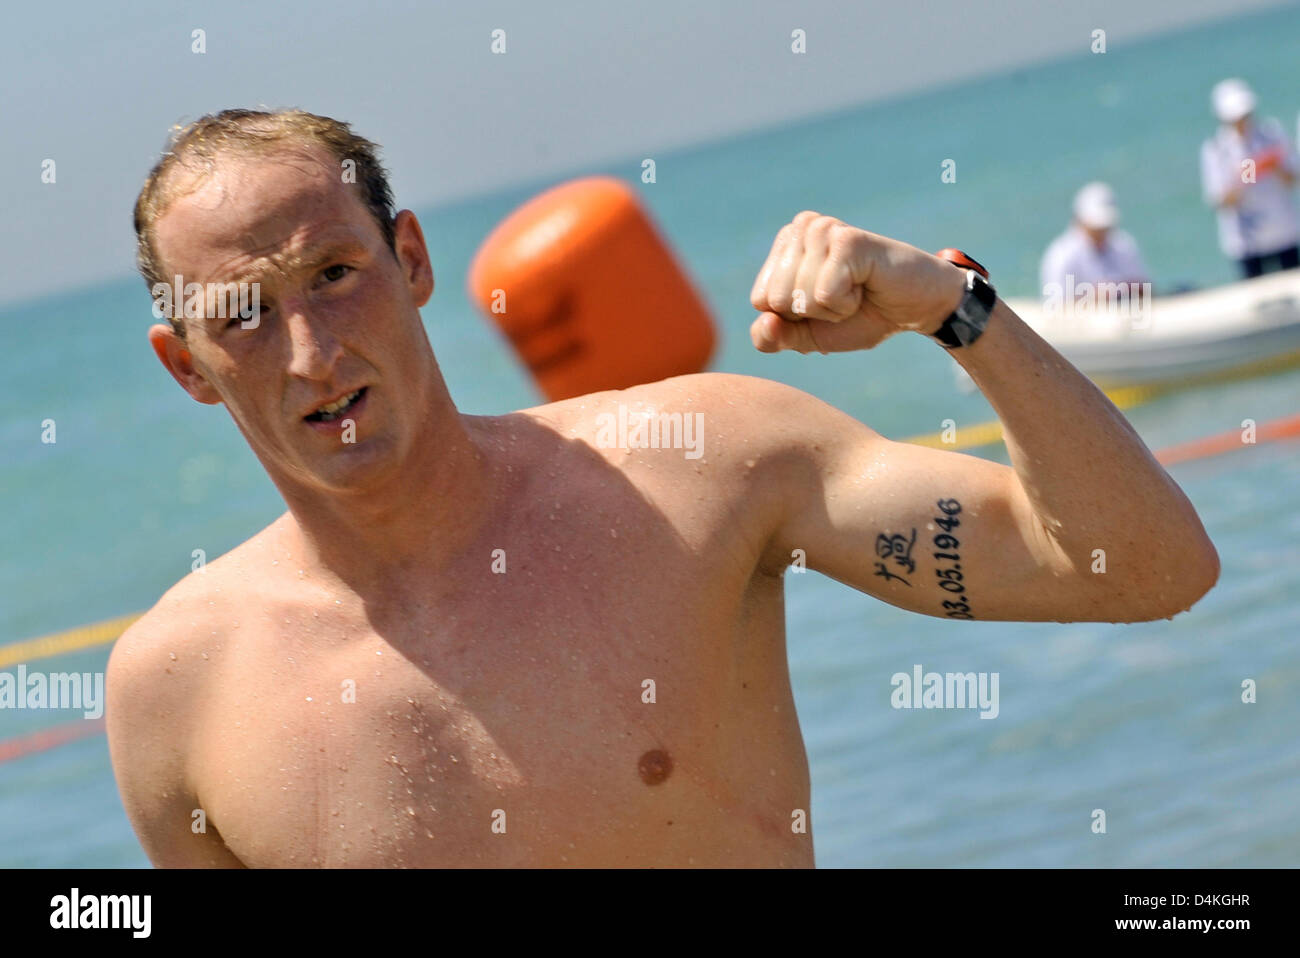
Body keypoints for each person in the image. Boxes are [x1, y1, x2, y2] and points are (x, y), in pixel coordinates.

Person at [106, 109, 1219, 868]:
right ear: (185, 364)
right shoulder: (175, 690)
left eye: (334, 276)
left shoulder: (700, 465)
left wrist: (953, 312)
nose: (310, 353)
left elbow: (1144, 570)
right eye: (242, 314)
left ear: (412, 260)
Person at [1201, 78, 1300, 279]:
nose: (1243, 121)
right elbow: (1219, 199)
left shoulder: (1271, 133)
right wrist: (1251, 169)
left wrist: (1272, 165)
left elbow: (1292, 179)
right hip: (1247, 240)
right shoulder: (1216, 148)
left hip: (1283, 229)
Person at [1039, 182, 1150, 311]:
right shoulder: (1061, 255)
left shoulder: (1124, 244)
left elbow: (1146, 289)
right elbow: (1055, 308)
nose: (1101, 232)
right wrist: (1096, 298)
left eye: (1104, 227)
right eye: (1096, 227)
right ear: (1080, 219)